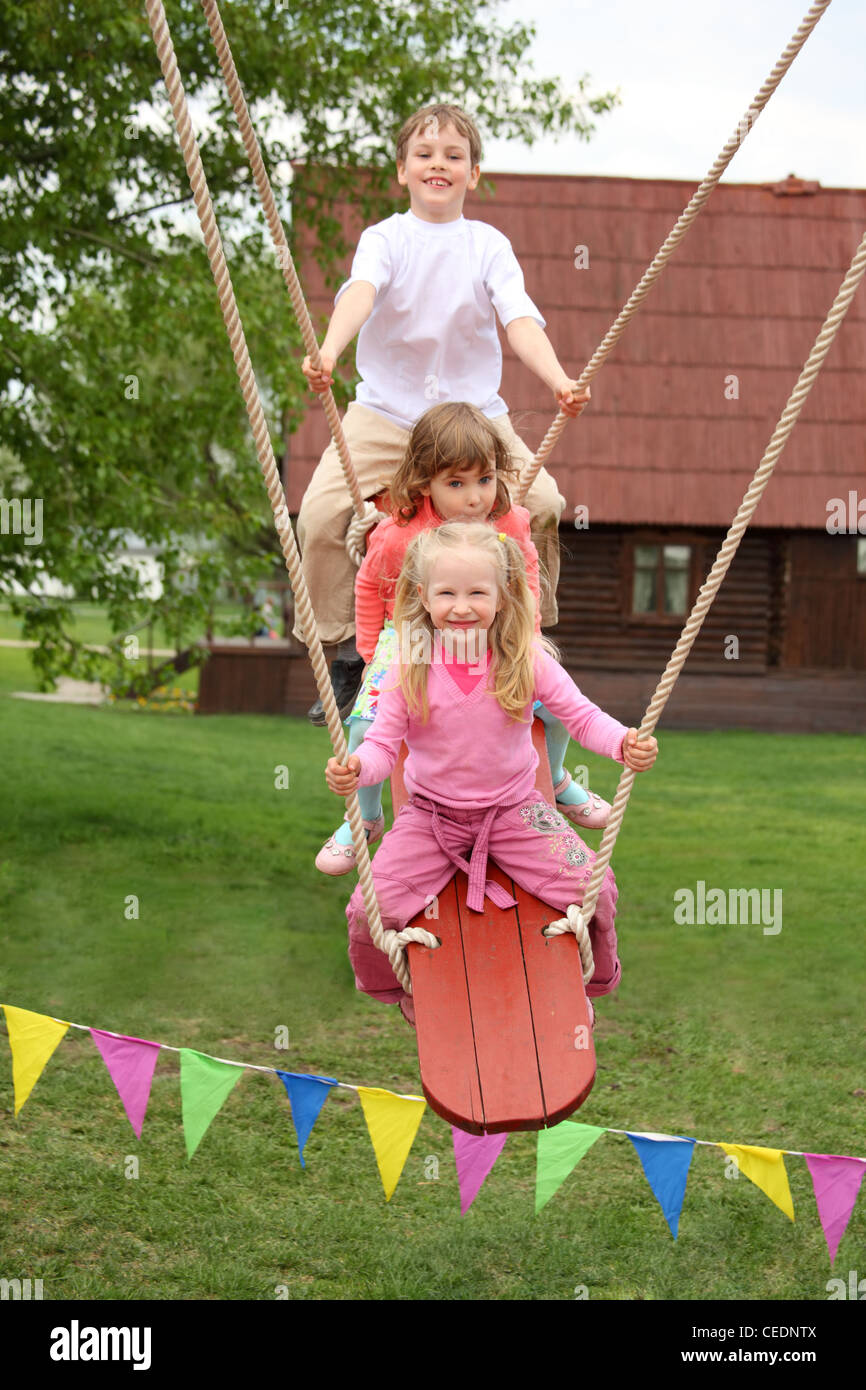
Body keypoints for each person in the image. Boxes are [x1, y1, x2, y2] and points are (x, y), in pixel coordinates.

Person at [297, 100, 589, 723]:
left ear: (473, 173)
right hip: (388, 414)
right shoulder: (386, 238)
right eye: (425, 155)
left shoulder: (487, 245)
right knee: (320, 514)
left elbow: (519, 319)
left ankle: (529, 646)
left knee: (543, 506)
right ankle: (347, 657)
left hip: (473, 418)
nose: (439, 165)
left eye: (454, 156)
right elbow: (361, 293)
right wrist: (327, 351)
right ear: (401, 169)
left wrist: (560, 379)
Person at [324, 523, 658, 1027]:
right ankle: (401, 991)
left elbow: (581, 716)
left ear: (502, 596)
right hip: (431, 819)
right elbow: (381, 747)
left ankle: (589, 981)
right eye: (447, 593)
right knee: (367, 913)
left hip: (515, 812)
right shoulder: (409, 666)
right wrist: (355, 770)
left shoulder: (525, 660)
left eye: (477, 592)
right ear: (423, 596)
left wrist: (622, 743)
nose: (462, 607)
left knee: (598, 888)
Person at [316, 401, 611, 875]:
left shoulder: (508, 522)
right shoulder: (398, 533)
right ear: (425, 481)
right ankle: (365, 818)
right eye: (456, 483)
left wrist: (526, 636)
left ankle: (554, 778)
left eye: (485, 479)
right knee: (364, 726)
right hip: (412, 637)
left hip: (493, 633)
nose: (475, 497)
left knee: (556, 708)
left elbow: (526, 574)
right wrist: (373, 653)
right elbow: (370, 585)